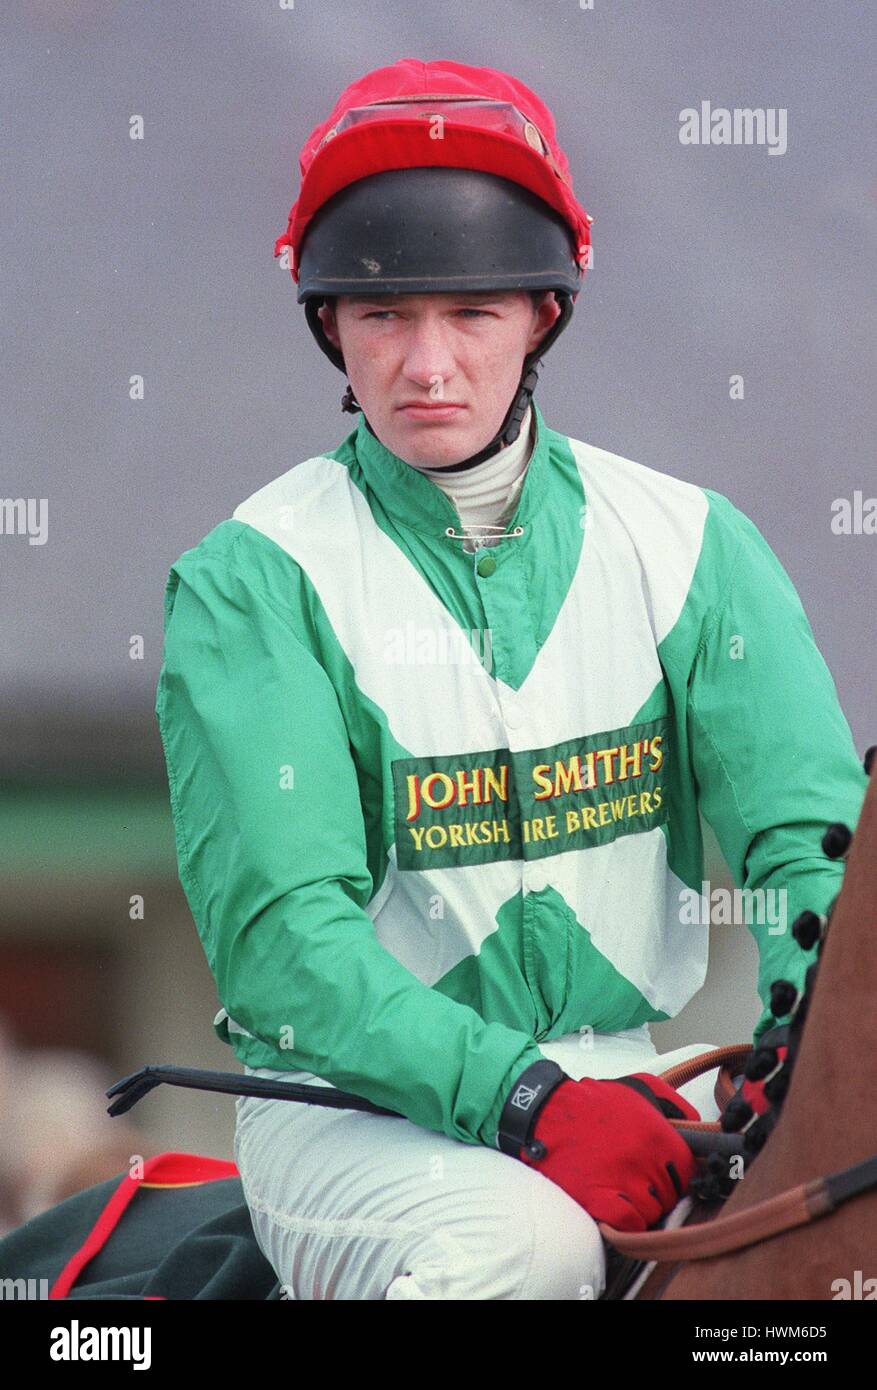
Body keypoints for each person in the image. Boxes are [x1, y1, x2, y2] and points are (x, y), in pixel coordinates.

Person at [155, 59, 868, 1300]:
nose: (426, 366)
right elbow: (287, 949)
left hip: (639, 1072)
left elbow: (813, 852)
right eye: (383, 317)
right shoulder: (250, 582)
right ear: (330, 325)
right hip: (348, 1112)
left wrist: (801, 1047)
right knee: (515, 1248)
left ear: (543, 313)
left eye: (471, 314)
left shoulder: (696, 544)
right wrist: (528, 1099)